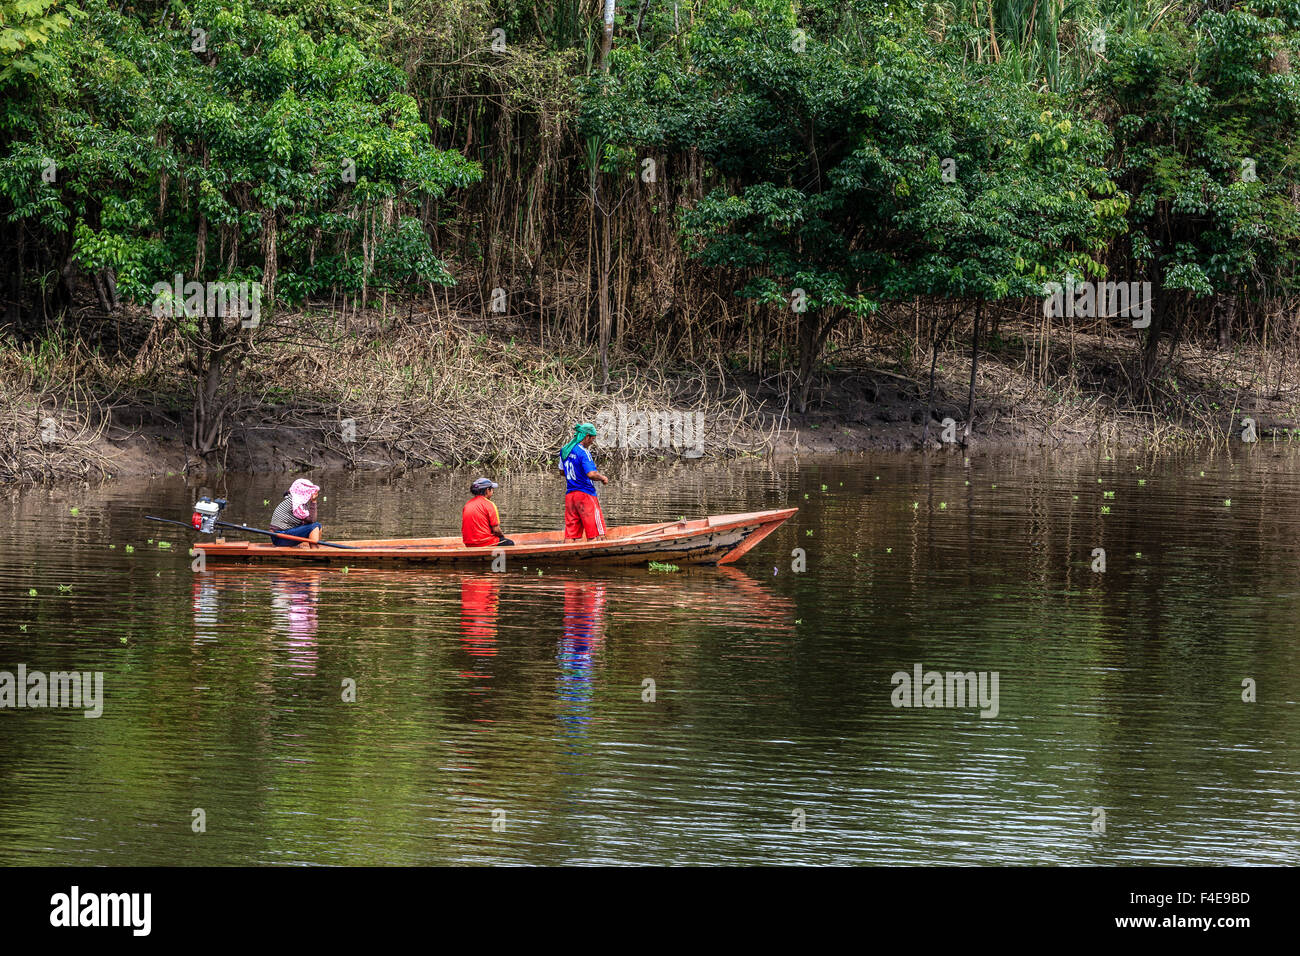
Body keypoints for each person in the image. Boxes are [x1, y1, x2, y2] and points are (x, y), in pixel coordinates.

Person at [559, 422, 610, 541]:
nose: (592, 442)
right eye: (592, 439)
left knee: (570, 535)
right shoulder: (583, 452)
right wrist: (603, 478)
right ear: (586, 437)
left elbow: (562, 472)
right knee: (597, 534)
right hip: (585, 495)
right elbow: (591, 474)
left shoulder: (565, 450)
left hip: (570, 496)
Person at [462, 478, 514, 547]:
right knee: (510, 543)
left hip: (468, 543)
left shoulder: (467, 504)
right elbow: (496, 530)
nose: (493, 491)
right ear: (487, 490)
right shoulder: (489, 504)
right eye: (492, 489)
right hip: (484, 543)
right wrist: (502, 537)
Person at [270, 479, 323, 547]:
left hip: (283, 536)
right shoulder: (295, 503)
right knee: (315, 526)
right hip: (279, 537)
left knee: (318, 526)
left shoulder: (298, 502)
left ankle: (317, 547)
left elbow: (308, 522)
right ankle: (314, 552)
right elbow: (312, 520)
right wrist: (314, 501)